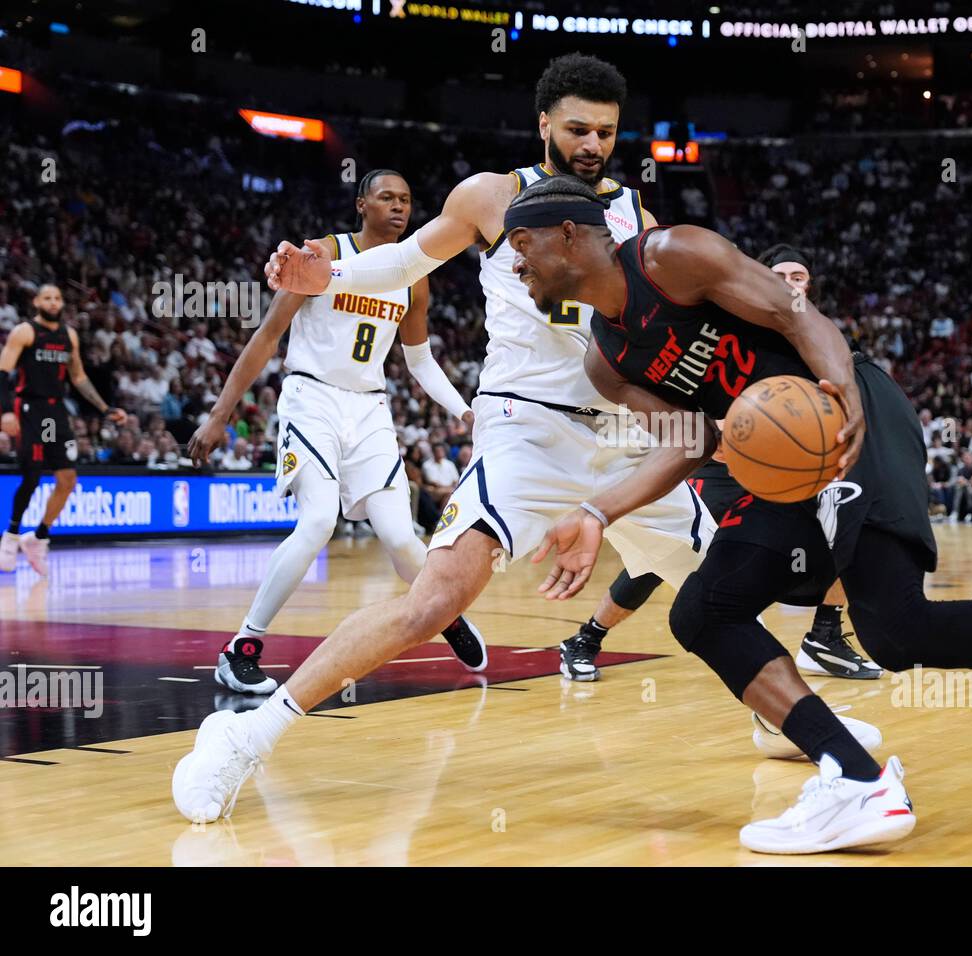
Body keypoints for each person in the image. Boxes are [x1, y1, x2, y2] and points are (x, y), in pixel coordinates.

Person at [503, 176, 972, 854]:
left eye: (521, 247)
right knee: (703, 612)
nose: (514, 266)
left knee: (894, 627)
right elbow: (692, 445)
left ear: (569, 232)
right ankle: (855, 777)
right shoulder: (606, 360)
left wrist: (843, 390)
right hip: (776, 460)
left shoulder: (669, 256)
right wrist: (597, 511)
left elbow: (797, 313)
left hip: (847, 414)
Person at [173, 54, 722, 824]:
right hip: (524, 430)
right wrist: (321, 278)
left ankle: (800, 728)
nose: (593, 143)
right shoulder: (490, 196)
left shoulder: (640, 218)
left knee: (736, 583)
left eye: (605, 131)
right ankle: (243, 736)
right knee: (432, 600)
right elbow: (401, 261)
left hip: (623, 439)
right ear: (543, 124)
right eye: (577, 129)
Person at [186, 169, 484, 694]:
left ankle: (442, 612)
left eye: (407, 200)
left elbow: (420, 361)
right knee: (319, 520)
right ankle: (241, 649)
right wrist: (219, 413)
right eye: (386, 197)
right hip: (312, 397)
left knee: (399, 536)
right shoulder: (321, 254)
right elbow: (268, 335)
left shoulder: (414, 273)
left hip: (370, 409)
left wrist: (464, 411)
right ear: (361, 204)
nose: (399, 207)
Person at [558, 242, 882, 682]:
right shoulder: (732, 312)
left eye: (799, 277)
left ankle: (824, 634)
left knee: (853, 526)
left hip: (785, 461)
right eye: (780, 275)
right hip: (717, 457)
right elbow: (685, 412)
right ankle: (588, 636)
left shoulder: (813, 337)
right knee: (673, 553)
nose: (789, 282)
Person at [0, 284, 126, 574]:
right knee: (31, 474)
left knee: (67, 479)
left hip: (54, 412)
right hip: (30, 408)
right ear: (36, 301)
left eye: (57, 298)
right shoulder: (25, 332)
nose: (53, 303)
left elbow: (79, 377)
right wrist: (6, 412)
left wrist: (105, 408)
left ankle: (39, 537)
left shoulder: (69, 336)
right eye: (48, 298)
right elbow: (2, 374)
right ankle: (11, 535)